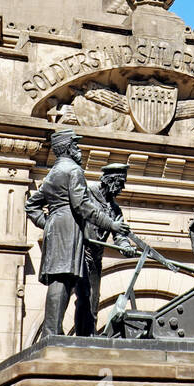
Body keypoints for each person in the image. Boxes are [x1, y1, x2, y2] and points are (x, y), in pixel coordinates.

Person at [25, 131, 130, 338]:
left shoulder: (54, 172)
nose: (79, 150)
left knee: (63, 279)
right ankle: (51, 333)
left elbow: (31, 205)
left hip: (59, 226)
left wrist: (48, 224)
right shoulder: (73, 170)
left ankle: (53, 331)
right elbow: (82, 206)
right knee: (63, 278)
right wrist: (111, 225)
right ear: (67, 148)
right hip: (69, 227)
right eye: (76, 146)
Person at [77, 162, 132, 336]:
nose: (122, 188)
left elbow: (120, 234)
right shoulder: (87, 193)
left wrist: (125, 246)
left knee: (93, 301)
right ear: (110, 180)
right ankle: (82, 336)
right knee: (83, 298)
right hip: (79, 254)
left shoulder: (115, 209)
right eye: (120, 183)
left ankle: (89, 336)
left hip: (95, 260)